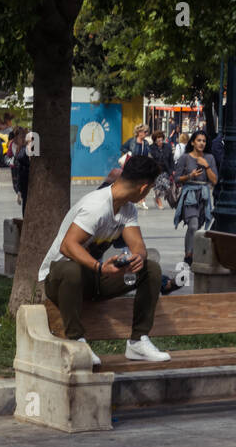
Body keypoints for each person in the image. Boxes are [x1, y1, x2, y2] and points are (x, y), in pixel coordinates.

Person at [38, 155, 170, 366]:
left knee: (149, 269)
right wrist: (99, 267)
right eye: (151, 188)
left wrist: (138, 257)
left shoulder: (127, 209)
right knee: (72, 270)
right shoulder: (97, 205)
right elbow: (68, 245)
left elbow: (138, 245)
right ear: (143, 187)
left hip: (94, 279)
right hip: (60, 280)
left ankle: (138, 342)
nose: (150, 192)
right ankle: (77, 342)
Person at [173, 129, 217, 264]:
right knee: (193, 225)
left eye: (204, 141)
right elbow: (176, 179)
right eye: (199, 140)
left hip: (203, 195)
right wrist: (189, 176)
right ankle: (189, 256)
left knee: (198, 226)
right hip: (190, 194)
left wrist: (206, 166)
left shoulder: (209, 158)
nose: (202, 143)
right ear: (192, 142)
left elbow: (214, 181)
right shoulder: (185, 158)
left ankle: (190, 251)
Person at [149, 130, 176, 209]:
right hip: (155, 170)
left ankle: (157, 198)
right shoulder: (151, 148)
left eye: (161, 138)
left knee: (164, 186)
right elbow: (152, 159)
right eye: (158, 138)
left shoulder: (167, 146)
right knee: (161, 184)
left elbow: (171, 159)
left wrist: (173, 170)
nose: (160, 140)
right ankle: (158, 200)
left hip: (166, 170)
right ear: (155, 139)